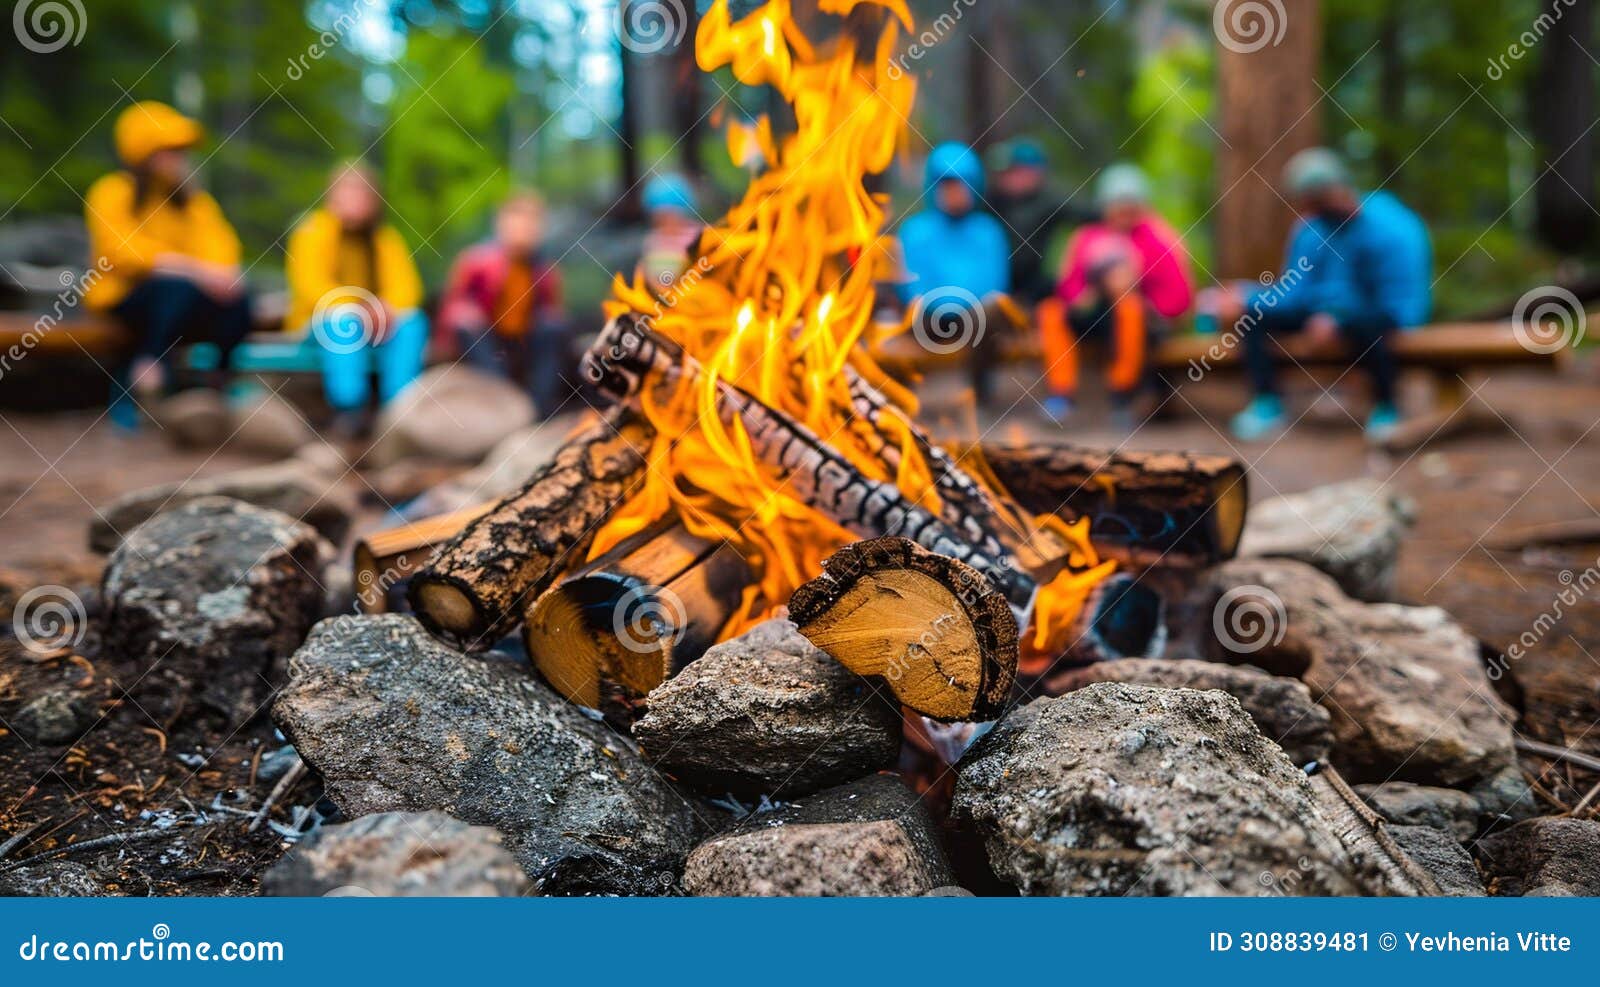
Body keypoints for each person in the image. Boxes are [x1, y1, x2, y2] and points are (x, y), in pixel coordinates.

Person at [1217, 147, 1432, 442]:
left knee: (1369, 327)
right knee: (1253, 317)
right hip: (1321, 313)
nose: (1311, 211)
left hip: (1383, 312)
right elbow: (1295, 291)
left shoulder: (1391, 225)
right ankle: (1267, 404)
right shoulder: (1312, 229)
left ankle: (1386, 406)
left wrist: (1337, 317)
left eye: (1317, 201)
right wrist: (1247, 297)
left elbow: (1397, 299)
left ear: (1338, 188)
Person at [84, 101, 251, 411]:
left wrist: (224, 274)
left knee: (237, 299)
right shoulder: (112, 191)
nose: (179, 158)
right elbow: (120, 252)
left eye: (180, 151)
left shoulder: (192, 201)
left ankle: (218, 385)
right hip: (124, 297)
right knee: (174, 290)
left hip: (183, 300)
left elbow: (219, 242)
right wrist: (196, 270)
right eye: (170, 150)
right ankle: (146, 375)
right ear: (144, 153)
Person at [286, 161, 426, 436]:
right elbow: (311, 287)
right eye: (347, 192)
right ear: (332, 197)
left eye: (361, 194)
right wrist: (361, 306)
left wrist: (386, 309)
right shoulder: (312, 231)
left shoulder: (385, 239)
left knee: (412, 322)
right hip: (320, 323)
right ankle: (349, 409)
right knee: (343, 320)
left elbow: (408, 289)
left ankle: (398, 409)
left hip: (376, 324)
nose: (354, 201)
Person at [1047, 163, 1194, 423]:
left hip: (1142, 323)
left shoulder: (1157, 238)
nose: (1123, 212)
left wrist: (1136, 283)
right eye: (1117, 204)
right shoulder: (1086, 237)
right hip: (1093, 316)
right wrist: (1086, 293)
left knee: (1129, 306)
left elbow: (1178, 297)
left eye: (1130, 205)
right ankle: (1061, 394)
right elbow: (1067, 286)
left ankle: (1122, 394)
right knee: (1051, 312)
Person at [436, 191, 569, 418]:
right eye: (517, 225)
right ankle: (504, 404)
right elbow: (452, 306)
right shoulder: (476, 262)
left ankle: (539, 410)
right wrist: (464, 315)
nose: (523, 232)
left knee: (553, 328)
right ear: (502, 226)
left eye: (530, 225)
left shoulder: (544, 270)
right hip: (488, 341)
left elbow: (553, 310)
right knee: (469, 326)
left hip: (523, 343)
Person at [898, 142, 1011, 406]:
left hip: (975, 319)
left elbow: (995, 282)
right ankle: (902, 398)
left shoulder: (988, 231)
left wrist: (963, 307)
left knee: (992, 310)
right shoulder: (915, 231)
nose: (954, 193)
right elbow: (911, 284)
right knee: (912, 312)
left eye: (961, 186)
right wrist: (938, 306)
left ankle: (981, 393)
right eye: (946, 186)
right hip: (928, 317)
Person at [638, 173, 702, 288]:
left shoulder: (698, 235)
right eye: (661, 217)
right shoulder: (653, 241)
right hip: (660, 294)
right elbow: (645, 272)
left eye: (671, 215)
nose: (667, 222)